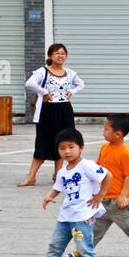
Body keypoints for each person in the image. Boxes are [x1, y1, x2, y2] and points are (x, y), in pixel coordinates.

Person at [64, 113, 129, 257]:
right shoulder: (104, 148)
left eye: (106, 129)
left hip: (118, 202)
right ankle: (83, 250)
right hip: (101, 200)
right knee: (92, 228)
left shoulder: (125, 154)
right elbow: (97, 170)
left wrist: (123, 196)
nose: (103, 131)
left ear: (118, 134)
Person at [28, 128, 111, 257]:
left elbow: (108, 176)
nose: (67, 151)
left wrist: (100, 195)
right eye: (62, 148)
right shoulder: (62, 172)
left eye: (71, 147)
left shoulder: (86, 165)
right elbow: (58, 187)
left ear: (81, 147)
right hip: (66, 215)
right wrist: (49, 195)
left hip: (83, 215)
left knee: (84, 246)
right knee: (55, 245)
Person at [19, 44, 85, 187]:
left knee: (63, 142)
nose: (60, 56)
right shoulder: (42, 72)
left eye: (63, 53)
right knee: (42, 143)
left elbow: (81, 84)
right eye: (57, 53)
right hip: (47, 112)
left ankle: (58, 176)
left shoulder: (70, 73)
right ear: (50, 56)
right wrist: (44, 92)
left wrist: (72, 92)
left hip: (65, 110)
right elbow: (29, 83)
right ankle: (31, 177)